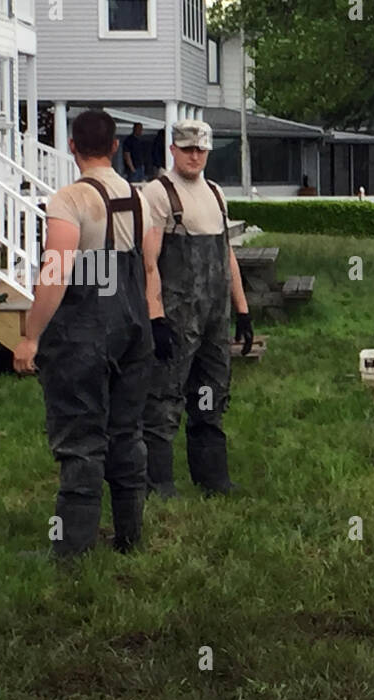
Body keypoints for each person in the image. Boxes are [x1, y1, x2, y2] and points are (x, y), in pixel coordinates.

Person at [11, 110, 155, 557]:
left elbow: (56, 271)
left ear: (72, 146)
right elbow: (148, 266)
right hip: (134, 323)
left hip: (84, 331)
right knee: (126, 432)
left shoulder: (69, 200)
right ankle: (129, 537)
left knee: (80, 439)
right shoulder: (139, 196)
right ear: (115, 147)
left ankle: (71, 551)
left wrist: (31, 335)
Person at [140, 120, 254, 498]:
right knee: (165, 398)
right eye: (187, 149)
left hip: (213, 319)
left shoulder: (217, 194)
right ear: (172, 149)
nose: (194, 156)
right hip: (175, 317)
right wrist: (155, 317)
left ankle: (212, 477)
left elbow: (227, 255)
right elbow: (149, 263)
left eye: (200, 150)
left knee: (211, 392)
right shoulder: (157, 194)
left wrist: (243, 309)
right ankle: (159, 483)